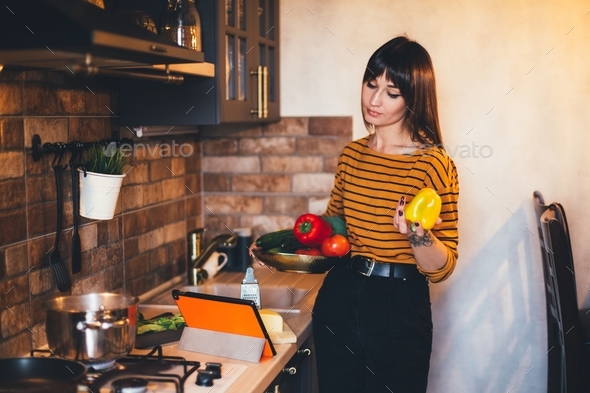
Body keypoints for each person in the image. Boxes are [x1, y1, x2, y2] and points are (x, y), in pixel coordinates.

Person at [311, 36, 459, 393]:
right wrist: (284, 248)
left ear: (413, 99)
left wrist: (418, 235)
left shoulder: (432, 164)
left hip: (399, 307)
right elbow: (335, 231)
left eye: (392, 93)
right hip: (340, 296)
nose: (374, 100)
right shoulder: (351, 155)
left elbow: (442, 268)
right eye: (371, 84)